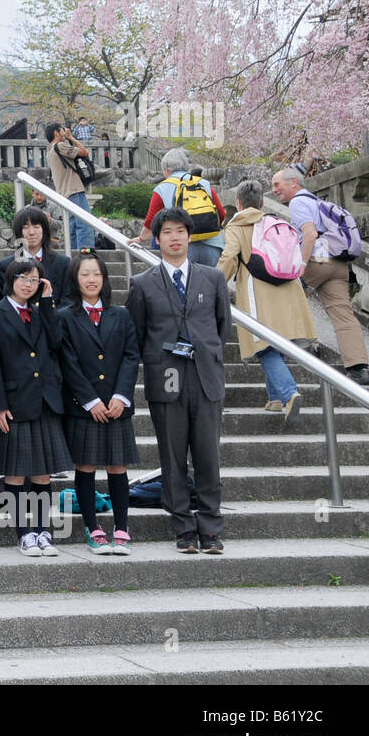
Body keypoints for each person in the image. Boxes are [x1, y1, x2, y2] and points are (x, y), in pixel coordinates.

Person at [126, 207, 232, 554]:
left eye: (180, 231)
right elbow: (137, 336)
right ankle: (183, 527)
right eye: (167, 232)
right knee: (171, 457)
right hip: (165, 378)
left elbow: (222, 327)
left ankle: (211, 527)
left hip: (205, 376)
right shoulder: (141, 284)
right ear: (157, 239)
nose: (174, 237)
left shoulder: (212, 278)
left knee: (208, 455)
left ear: (189, 236)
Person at [0, 257, 72, 557]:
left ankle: (43, 530)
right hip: (14, 402)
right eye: (22, 278)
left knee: (43, 473)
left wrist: (47, 302)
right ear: (10, 279)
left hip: (45, 400)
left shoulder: (41, 310)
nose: (28, 284)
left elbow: (56, 343)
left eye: (34, 279)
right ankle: (24, 533)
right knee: (16, 474)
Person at [57, 251, 141, 556]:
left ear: (104, 279)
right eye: (84, 274)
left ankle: (121, 527)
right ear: (75, 280)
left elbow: (131, 356)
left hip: (117, 405)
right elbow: (68, 362)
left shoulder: (121, 314)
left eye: (96, 274)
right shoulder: (65, 317)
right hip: (84, 407)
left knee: (118, 466)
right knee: (86, 465)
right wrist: (90, 401)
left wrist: (120, 396)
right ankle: (93, 528)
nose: (91, 279)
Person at [217, 180, 316, 415]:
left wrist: (214, 283)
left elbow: (230, 258)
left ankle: (289, 392)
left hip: (258, 292)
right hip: (288, 289)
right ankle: (275, 399)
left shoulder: (237, 225)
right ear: (262, 202)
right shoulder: (277, 222)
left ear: (238, 203)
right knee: (277, 341)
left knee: (263, 345)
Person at [272, 167, 369, 386]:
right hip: (338, 264)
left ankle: (303, 347)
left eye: (277, 184)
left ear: (293, 183)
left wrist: (300, 264)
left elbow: (310, 233)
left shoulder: (298, 202)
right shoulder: (317, 202)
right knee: (343, 315)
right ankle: (359, 368)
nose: (274, 190)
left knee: (284, 298)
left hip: (317, 261)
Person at [128, 148, 226, 266]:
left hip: (182, 247)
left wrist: (141, 238)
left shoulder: (162, 188)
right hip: (212, 246)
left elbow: (151, 220)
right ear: (186, 166)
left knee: (184, 283)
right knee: (209, 283)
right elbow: (221, 213)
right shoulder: (203, 183)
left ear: (166, 170)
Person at [0, 205, 69, 305]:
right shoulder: (6, 265)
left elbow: (67, 301)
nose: (31, 232)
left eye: (36, 227)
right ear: (19, 232)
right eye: (26, 227)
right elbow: (5, 303)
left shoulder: (63, 263)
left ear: (44, 230)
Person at [45, 121, 95, 250]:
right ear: (56, 133)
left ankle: (73, 254)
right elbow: (84, 152)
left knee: (72, 227)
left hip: (64, 193)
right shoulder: (60, 146)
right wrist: (71, 137)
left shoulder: (49, 151)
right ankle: (87, 253)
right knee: (84, 223)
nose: (64, 132)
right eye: (61, 130)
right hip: (74, 189)